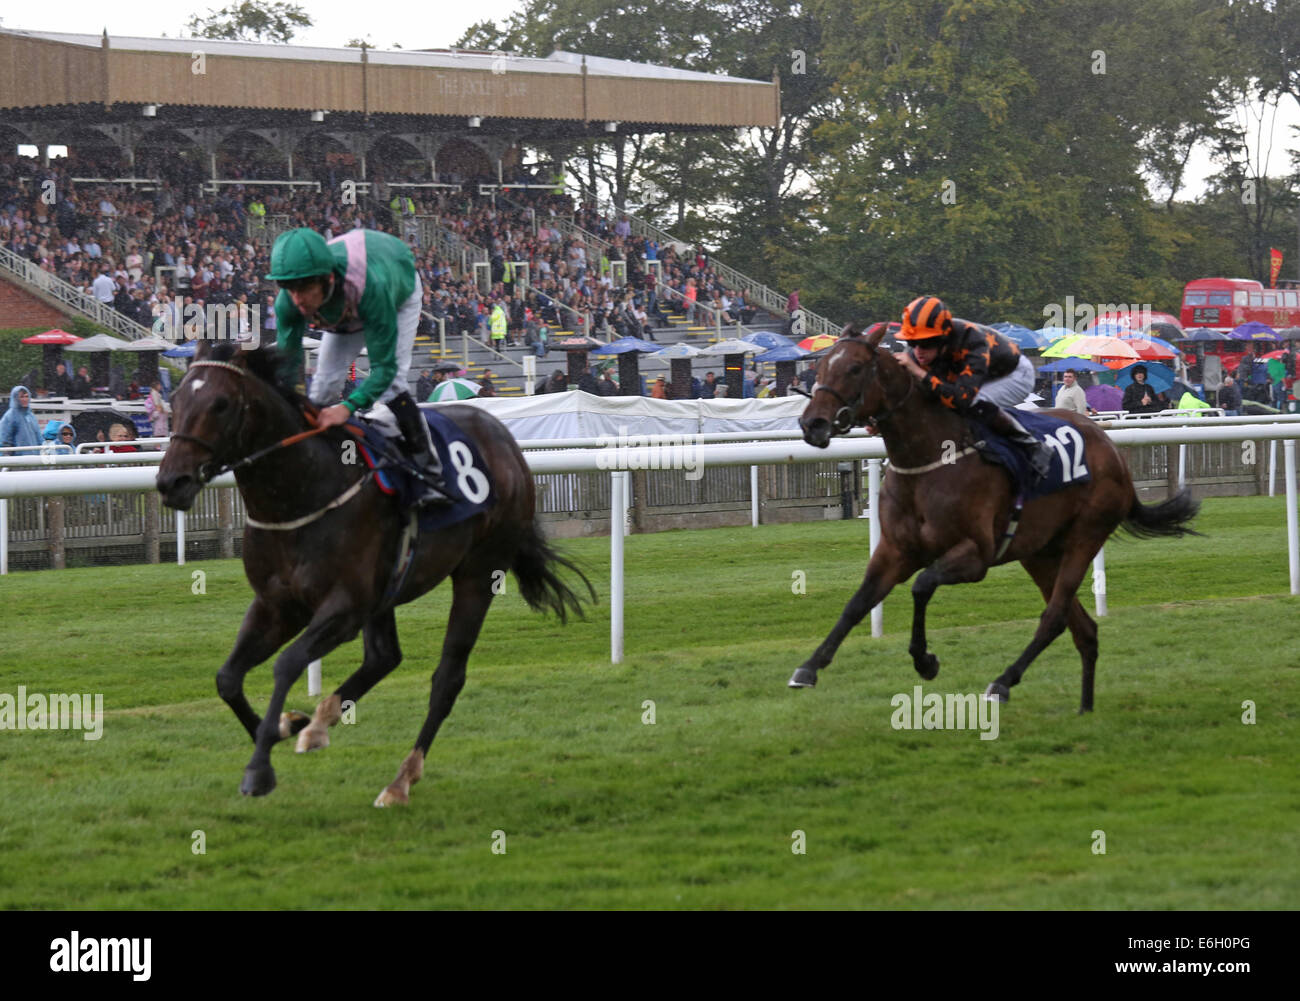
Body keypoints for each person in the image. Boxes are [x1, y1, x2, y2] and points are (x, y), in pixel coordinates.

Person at [267, 226, 449, 506]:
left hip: (395, 293)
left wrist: (347, 407)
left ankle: (431, 473)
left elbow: (384, 369)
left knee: (392, 385)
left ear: (327, 279)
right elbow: (288, 373)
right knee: (322, 389)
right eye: (288, 288)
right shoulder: (288, 304)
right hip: (346, 304)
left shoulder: (370, 288)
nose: (297, 299)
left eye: (304, 287)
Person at [893, 295, 1052, 478]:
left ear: (943, 338)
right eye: (912, 343)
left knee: (973, 402)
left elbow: (961, 399)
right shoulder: (917, 353)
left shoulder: (972, 341)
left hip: (1014, 373)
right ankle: (949, 458)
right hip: (978, 374)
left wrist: (920, 373)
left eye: (926, 343)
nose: (918, 351)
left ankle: (1032, 446)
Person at [1, 386, 42, 455]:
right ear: (15, 398)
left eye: (26, 396)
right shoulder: (10, 416)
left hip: (35, 459)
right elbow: (5, 440)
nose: (25, 399)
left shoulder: (31, 415)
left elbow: (38, 436)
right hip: (19, 460)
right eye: (22, 397)